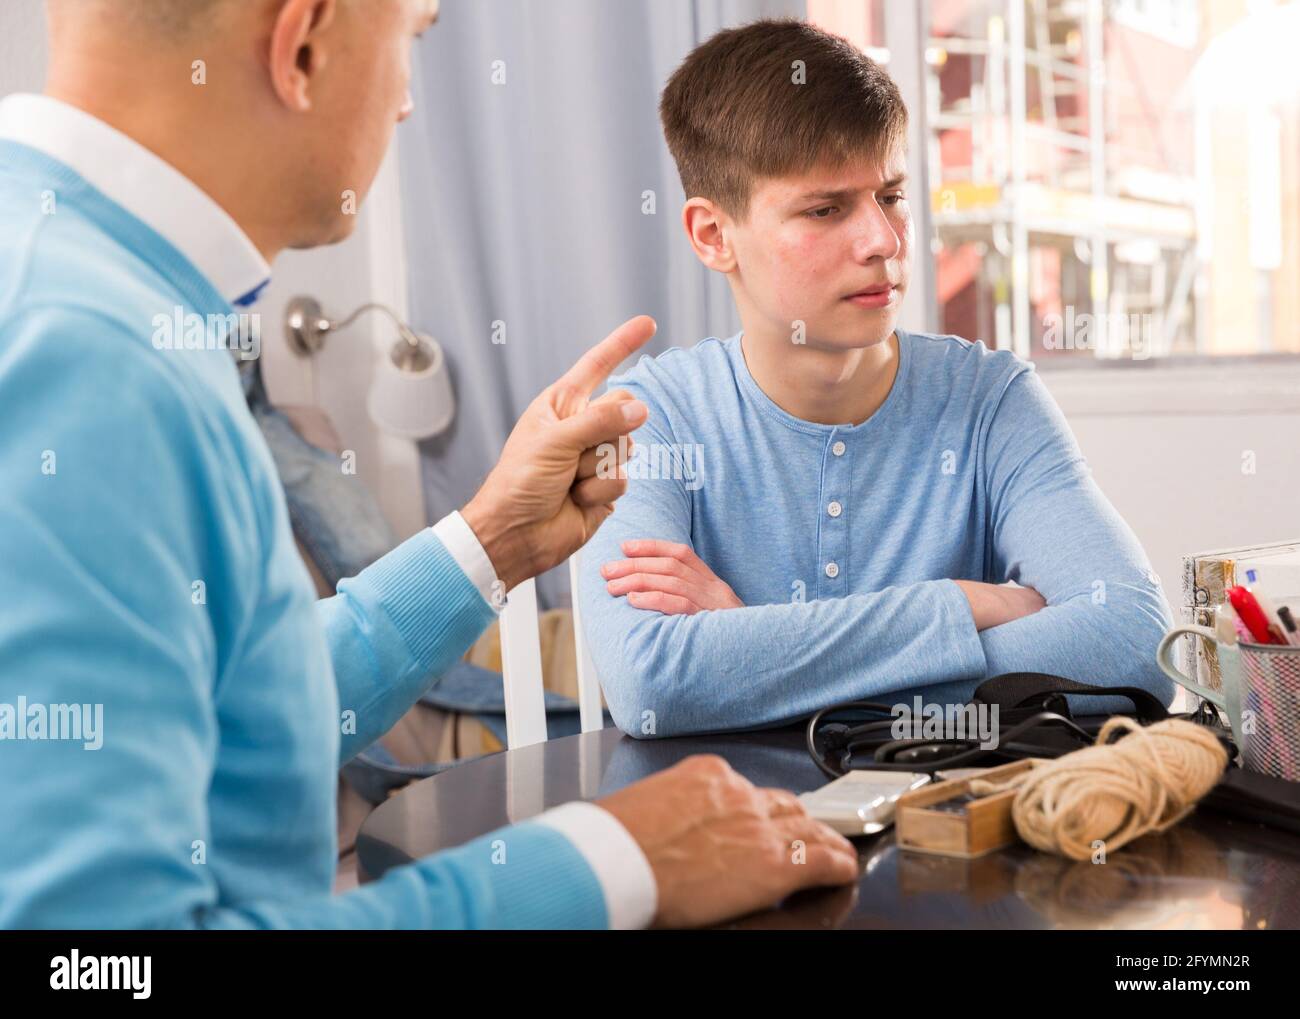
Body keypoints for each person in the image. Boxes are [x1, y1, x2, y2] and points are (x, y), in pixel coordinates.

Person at [0, 0, 859, 929]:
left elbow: (235, 702)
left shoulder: (77, 281)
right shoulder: (82, 352)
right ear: (304, 44)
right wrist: (604, 864)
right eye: (411, 39)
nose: (407, 101)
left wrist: (492, 539)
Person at [577, 19, 1177, 739]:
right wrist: (960, 604)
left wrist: (757, 646)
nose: (883, 242)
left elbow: (1133, 640)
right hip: (733, 838)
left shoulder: (992, 400)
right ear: (714, 235)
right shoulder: (647, 419)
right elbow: (652, 682)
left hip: (955, 831)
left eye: (890, 197)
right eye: (825, 209)